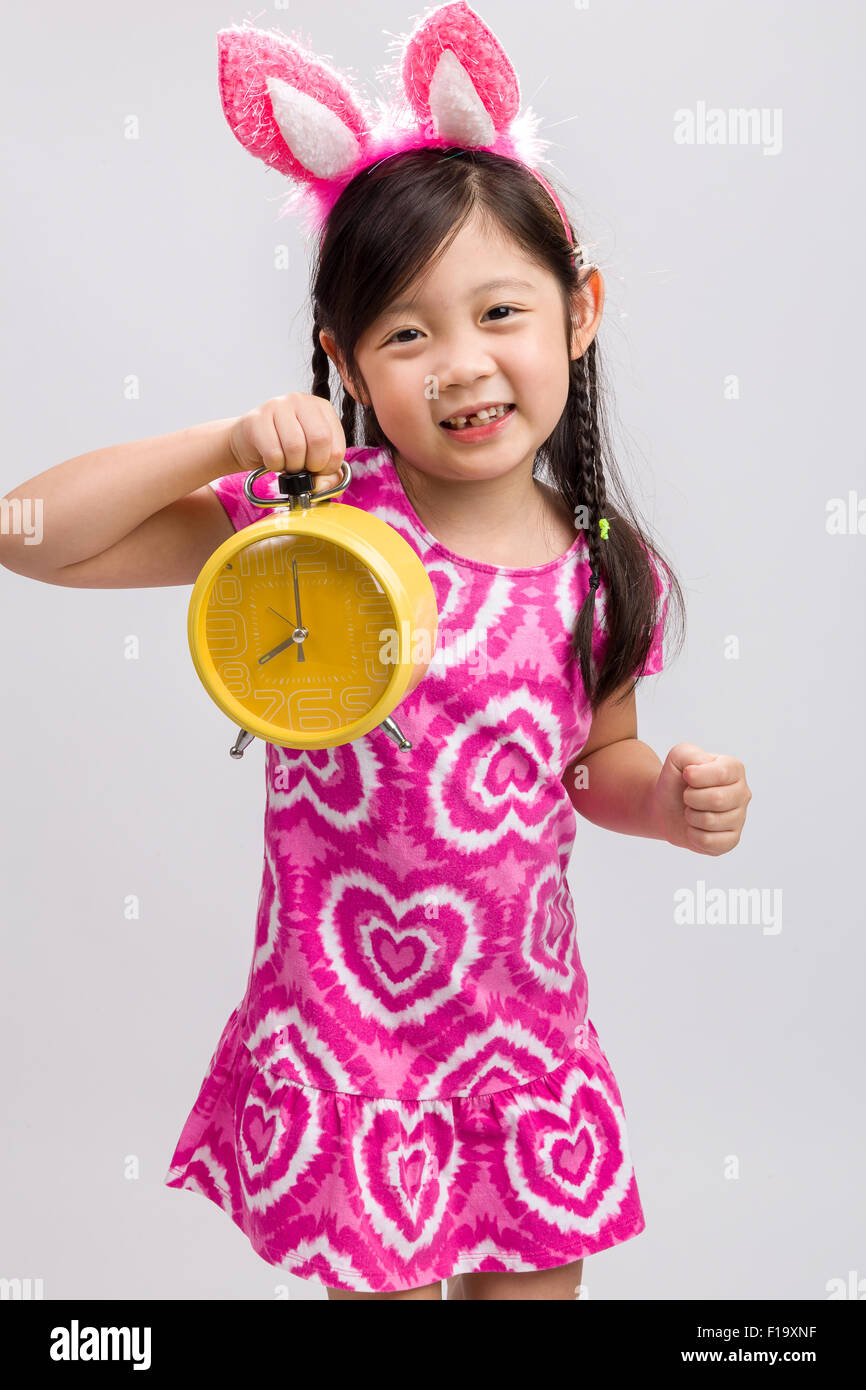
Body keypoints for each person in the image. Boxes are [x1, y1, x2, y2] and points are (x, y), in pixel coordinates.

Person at [0, 4, 752, 1300]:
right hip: (352, 1041)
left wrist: (665, 801)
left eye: (498, 310)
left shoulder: (599, 560)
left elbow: (592, 765)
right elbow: (27, 533)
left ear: (579, 312)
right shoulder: (317, 525)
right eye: (405, 333)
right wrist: (222, 446)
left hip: (524, 1039)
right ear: (345, 360)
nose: (461, 364)